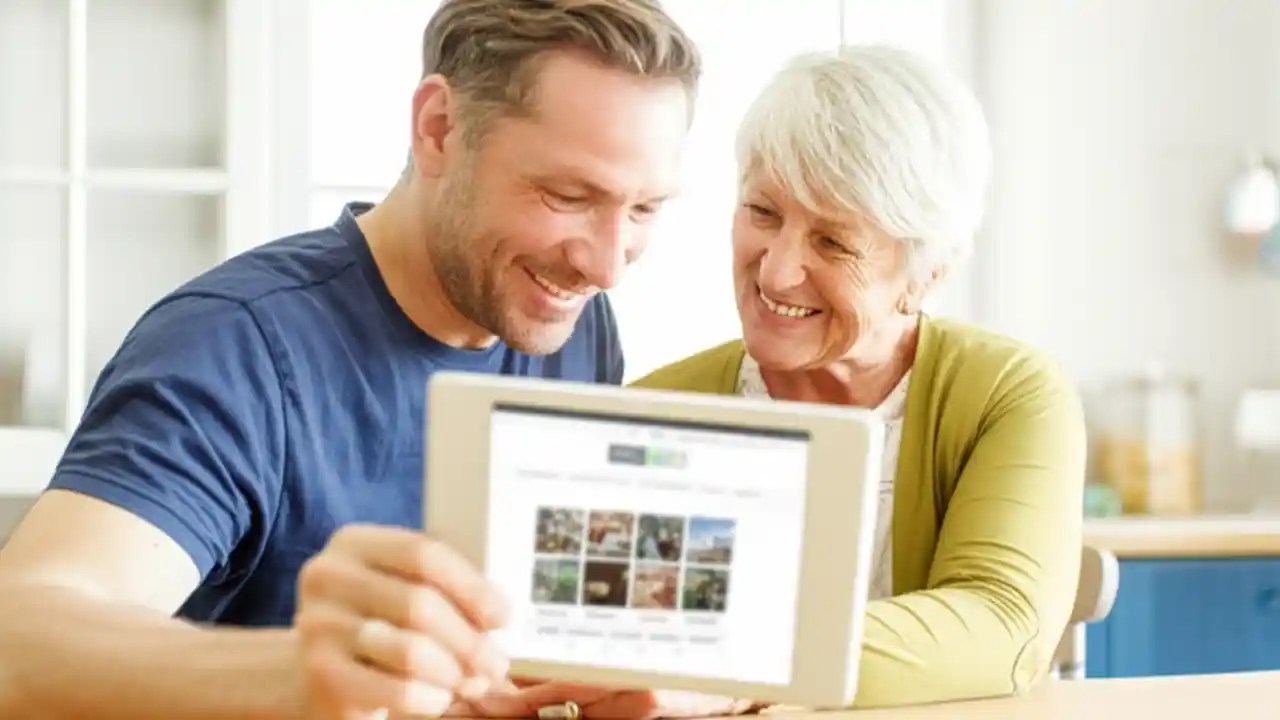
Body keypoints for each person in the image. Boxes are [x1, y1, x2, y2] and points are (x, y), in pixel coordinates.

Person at [0, 1, 706, 718]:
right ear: (439, 129)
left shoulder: (571, 321)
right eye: (567, 195)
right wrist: (304, 674)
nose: (608, 264)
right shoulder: (234, 349)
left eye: (645, 209)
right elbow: (15, 645)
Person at [632, 45, 1087, 708]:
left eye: (834, 242)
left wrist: (725, 673)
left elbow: (1001, 626)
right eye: (763, 213)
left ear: (926, 273)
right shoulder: (654, 406)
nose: (776, 272)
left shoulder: (1007, 394)